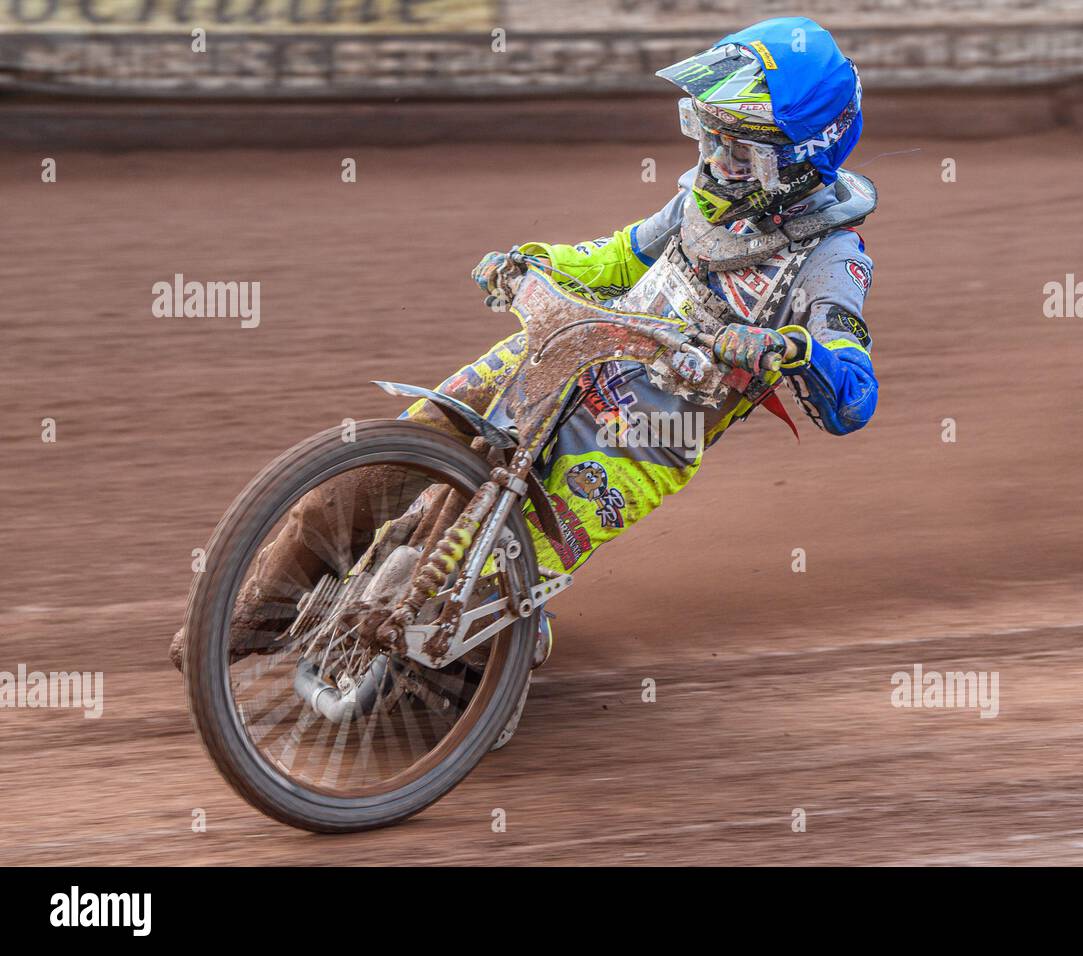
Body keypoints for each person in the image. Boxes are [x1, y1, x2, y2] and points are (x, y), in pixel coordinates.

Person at [170, 16, 880, 749]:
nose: (718, 160)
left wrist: (790, 348)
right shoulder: (699, 202)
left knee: (466, 587)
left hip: (641, 431)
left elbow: (854, 391)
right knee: (375, 467)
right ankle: (238, 619)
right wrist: (533, 262)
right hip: (559, 353)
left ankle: (488, 662)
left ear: (800, 162)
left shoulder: (832, 259)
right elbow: (614, 259)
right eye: (712, 136)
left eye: (741, 149)